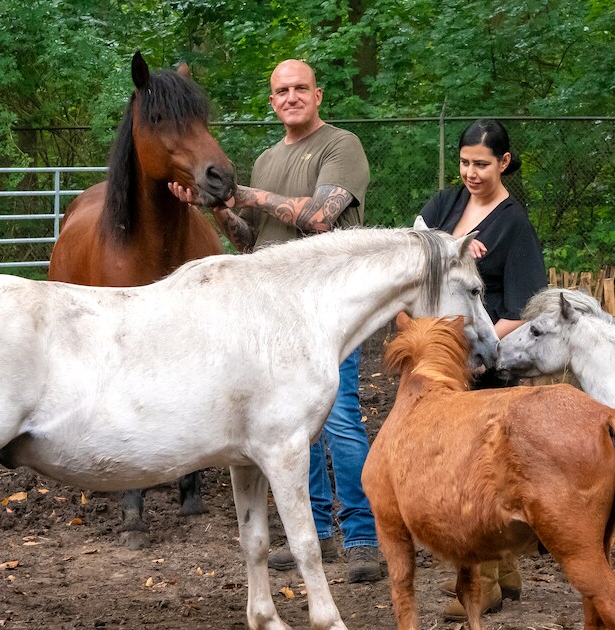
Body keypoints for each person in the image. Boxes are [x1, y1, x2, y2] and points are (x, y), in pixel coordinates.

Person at [169, 58, 382, 584]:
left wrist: (242, 193)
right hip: (273, 316)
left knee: (340, 421)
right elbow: (251, 242)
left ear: (318, 95)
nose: (291, 97)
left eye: (300, 88)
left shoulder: (341, 146)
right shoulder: (266, 158)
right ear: (272, 101)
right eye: (282, 91)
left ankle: (363, 539)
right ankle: (319, 533)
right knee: (292, 428)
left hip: (329, 312)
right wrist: (214, 206)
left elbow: (319, 218)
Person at [417, 118, 548, 620]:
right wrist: (449, 247)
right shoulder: (446, 204)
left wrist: (477, 346)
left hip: (484, 365)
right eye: (465, 163)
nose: (471, 173)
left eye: (482, 164)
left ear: (504, 162)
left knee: (475, 475)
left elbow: (523, 309)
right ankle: (506, 573)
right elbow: (411, 244)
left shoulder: (514, 225)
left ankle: (482, 586)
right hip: (445, 359)